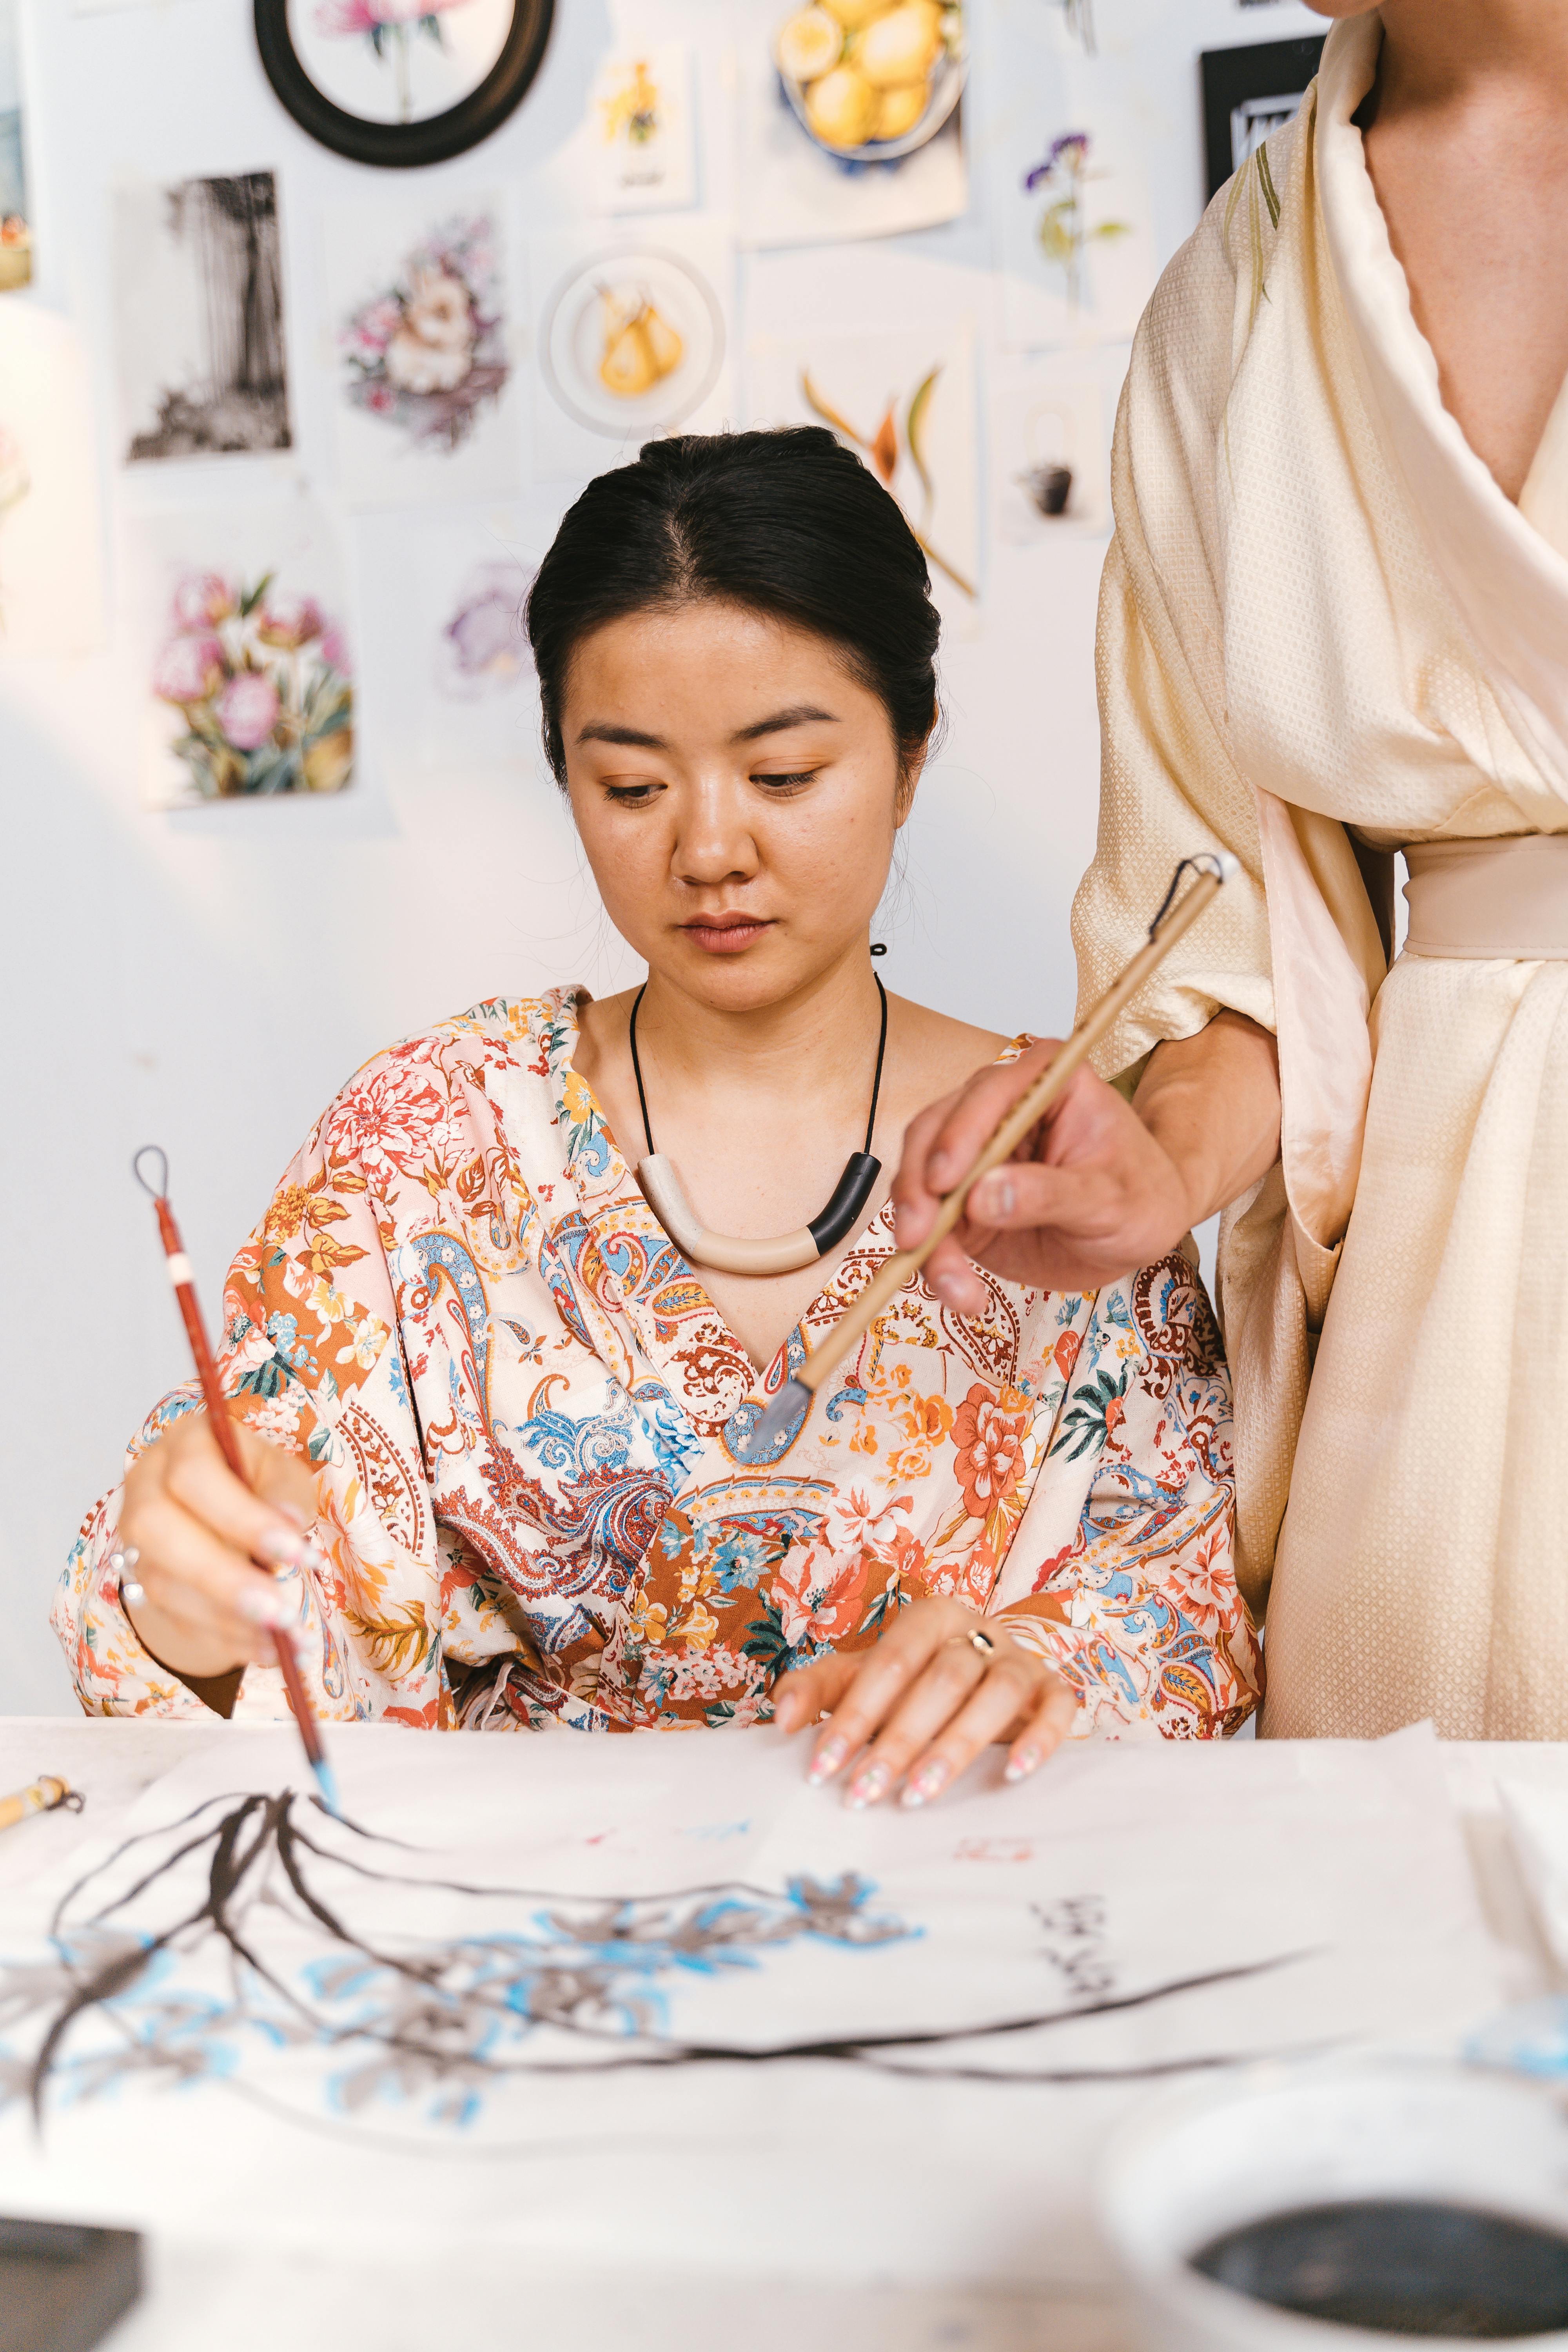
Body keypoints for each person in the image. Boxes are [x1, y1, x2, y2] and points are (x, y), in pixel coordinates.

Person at [53, 430, 1257, 1798]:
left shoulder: (1056, 1151)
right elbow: (259, 1603)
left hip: (958, 1908)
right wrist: (191, 1604)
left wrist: (1039, 1660)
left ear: (913, 757)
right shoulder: (429, 1144)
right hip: (532, 1930)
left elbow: (1187, 1612)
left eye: (785, 776)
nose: (707, 850)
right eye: (629, 786)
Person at [895, 0, 1568, 1739]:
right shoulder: (1238, 299)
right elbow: (1226, 934)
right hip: (1454, 1318)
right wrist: (1149, 1167)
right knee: (1430, 1949)